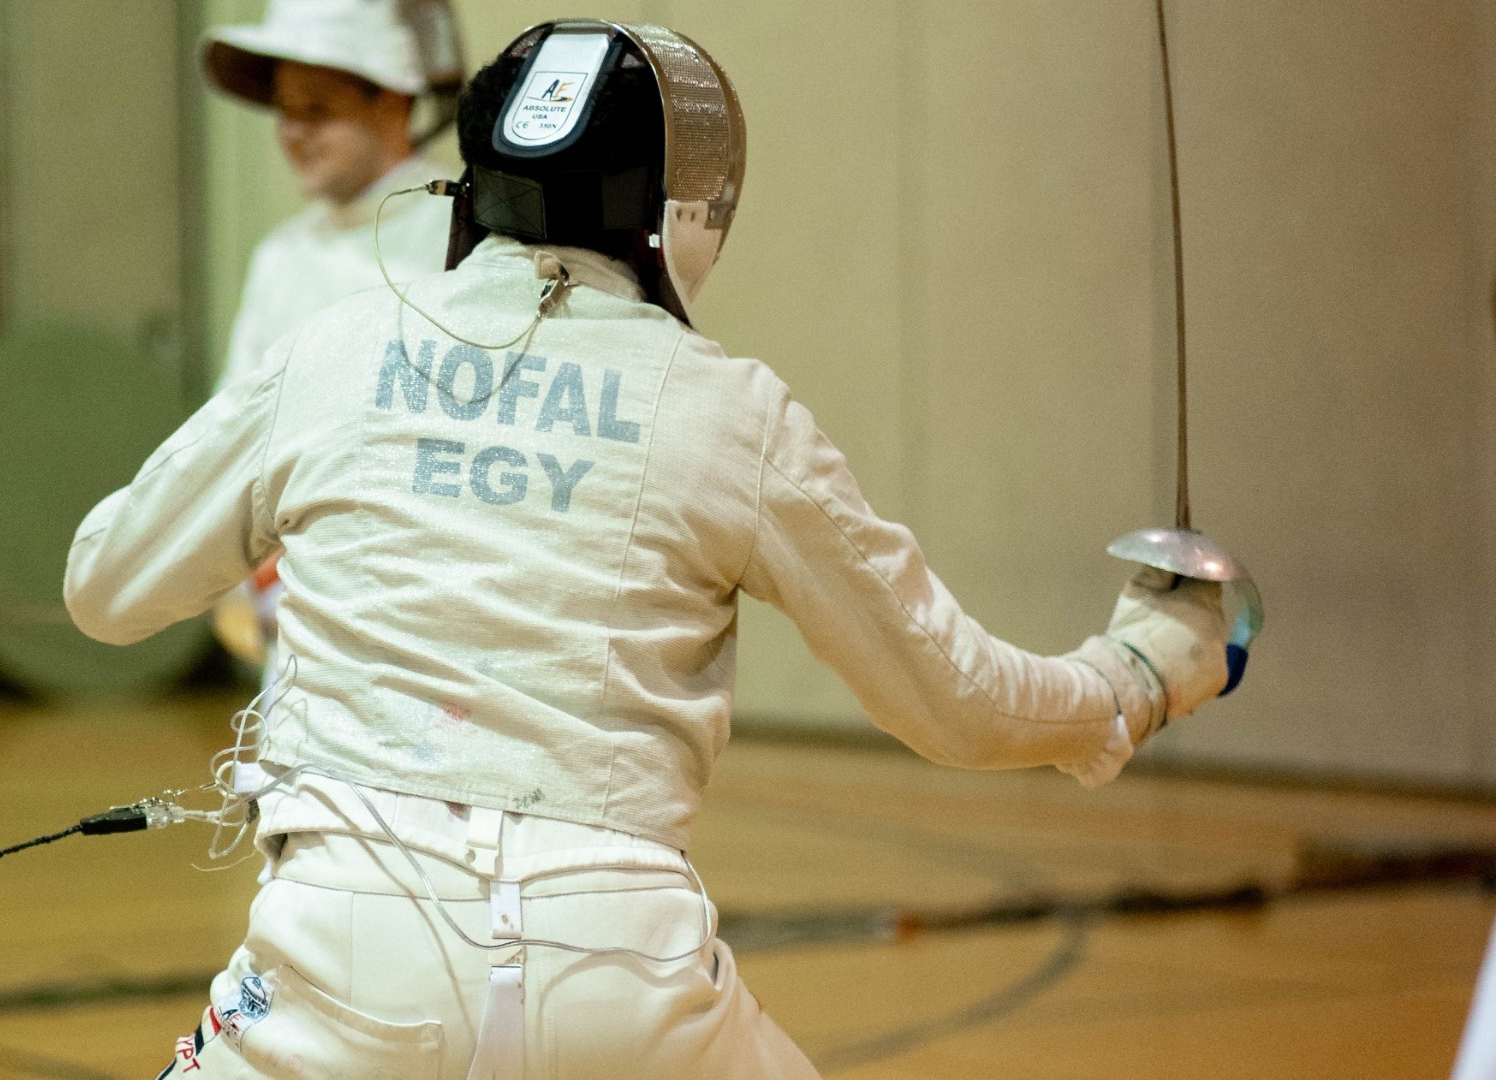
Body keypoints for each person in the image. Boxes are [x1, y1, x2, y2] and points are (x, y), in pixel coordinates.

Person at [68, 20, 1230, 1079]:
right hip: (626, 980)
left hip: (339, 964)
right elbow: (958, 703)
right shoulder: (731, 414)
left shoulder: (334, 348)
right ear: (687, 207)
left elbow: (104, 588)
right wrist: (1135, 676)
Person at [201, 0, 464, 673]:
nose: (293, 133)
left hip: (436, 616)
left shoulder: (470, 239)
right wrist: (242, 567)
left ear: (392, 104)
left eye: (317, 110)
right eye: (285, 112)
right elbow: (235, 428)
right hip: (293, 614)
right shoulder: (281, 255)